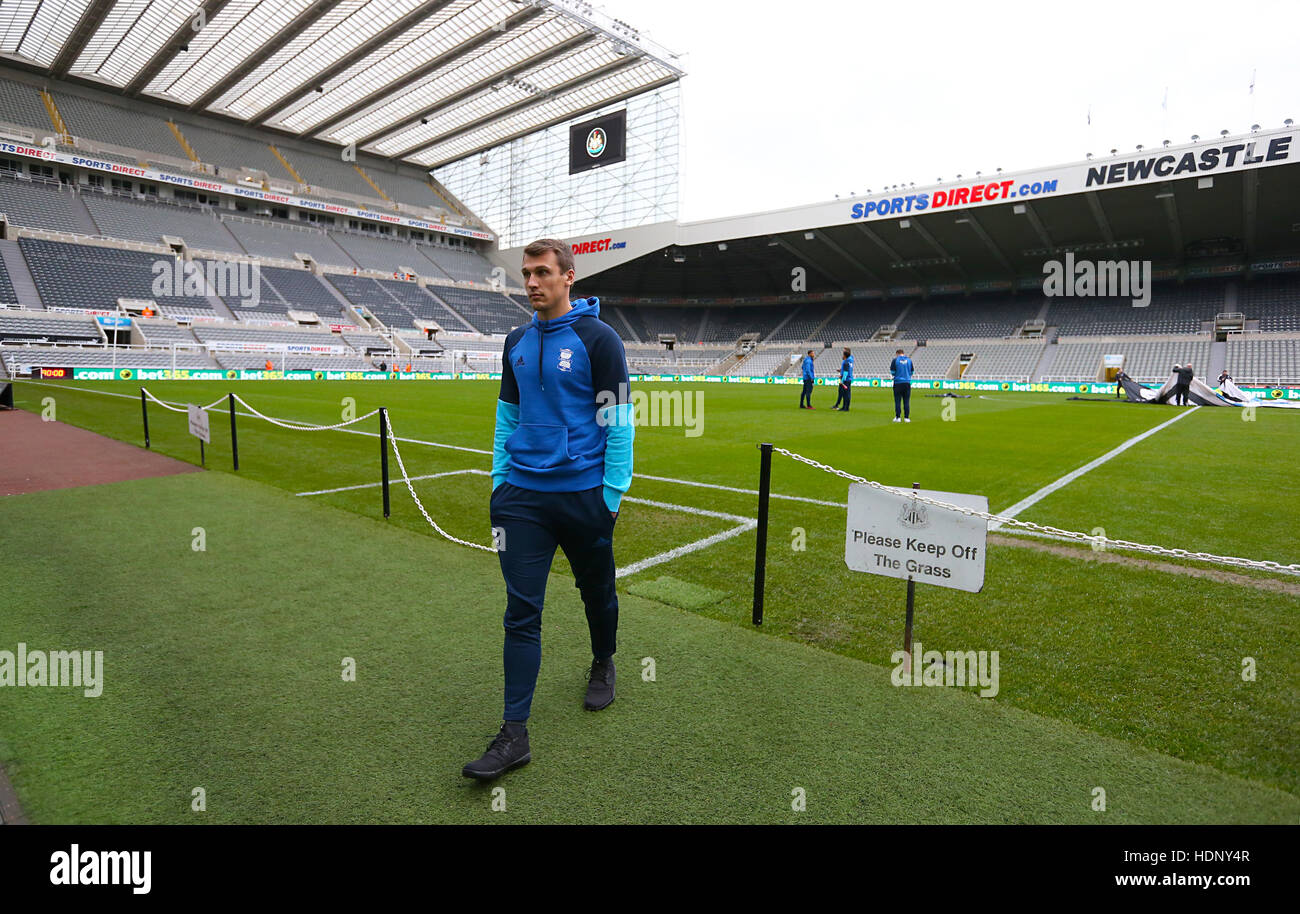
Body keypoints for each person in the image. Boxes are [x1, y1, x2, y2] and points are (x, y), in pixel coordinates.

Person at [463, 238, 634, 782]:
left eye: (542, 273)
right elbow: (507, 419)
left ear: (568, 278)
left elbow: (618, 422)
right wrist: (499, 484)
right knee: (520, 611)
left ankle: (603, 659)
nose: (532, 282)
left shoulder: (598, 339)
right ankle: (514, 734)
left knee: (596, 591)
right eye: (526, 274)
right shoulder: (515, 341)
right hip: (522, 502)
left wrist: (609, 496)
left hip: (584, 497)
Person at [890, 347, 913, 422]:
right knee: (906, 401)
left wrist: (896, 375)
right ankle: (906, 417)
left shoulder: (895, 360)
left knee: (897, 401)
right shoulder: (909, 360)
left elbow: (892, 372)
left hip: (898, 383)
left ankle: (898, 417)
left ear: (897, 354)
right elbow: (912, 372)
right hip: (907, 383)